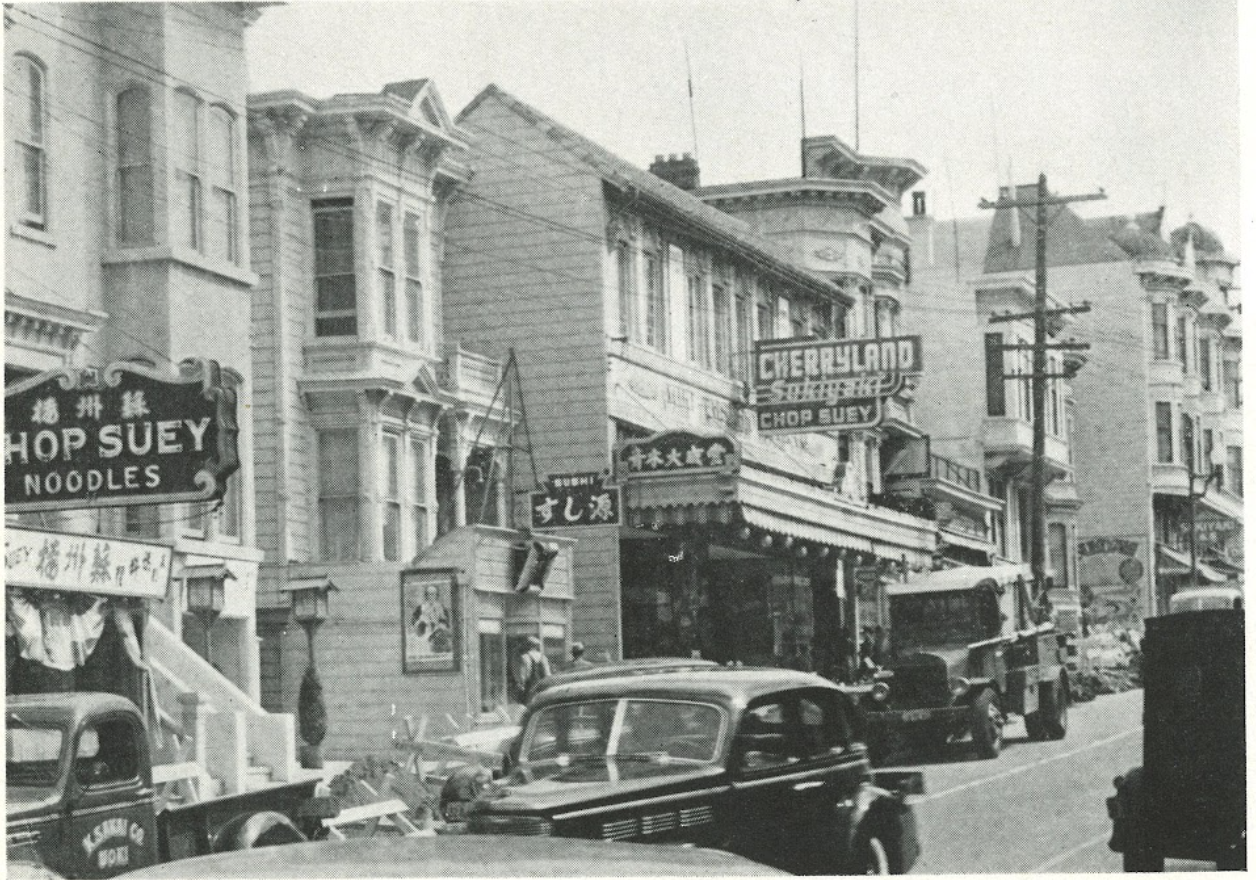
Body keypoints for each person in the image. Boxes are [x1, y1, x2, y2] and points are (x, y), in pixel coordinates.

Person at [410, 583, 451, 655]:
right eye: (429, 594)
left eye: (433, 594)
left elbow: (445, 623)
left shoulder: (442, 608)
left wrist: (439, 627)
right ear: (426, 595)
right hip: (423, 637)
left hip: (437, 638)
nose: (431, 596)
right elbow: (414, 622)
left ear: (436, 595)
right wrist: (421, 622)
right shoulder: (420, 608)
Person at [515, 637, 551, 703]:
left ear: (528, 646)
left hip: (530, 687)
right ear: (536, 646)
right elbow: (547, 673)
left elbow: (523, 675)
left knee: (529, 704)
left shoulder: (524, 657)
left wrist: (521, 686)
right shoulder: (543, 657)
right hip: (541, 686)